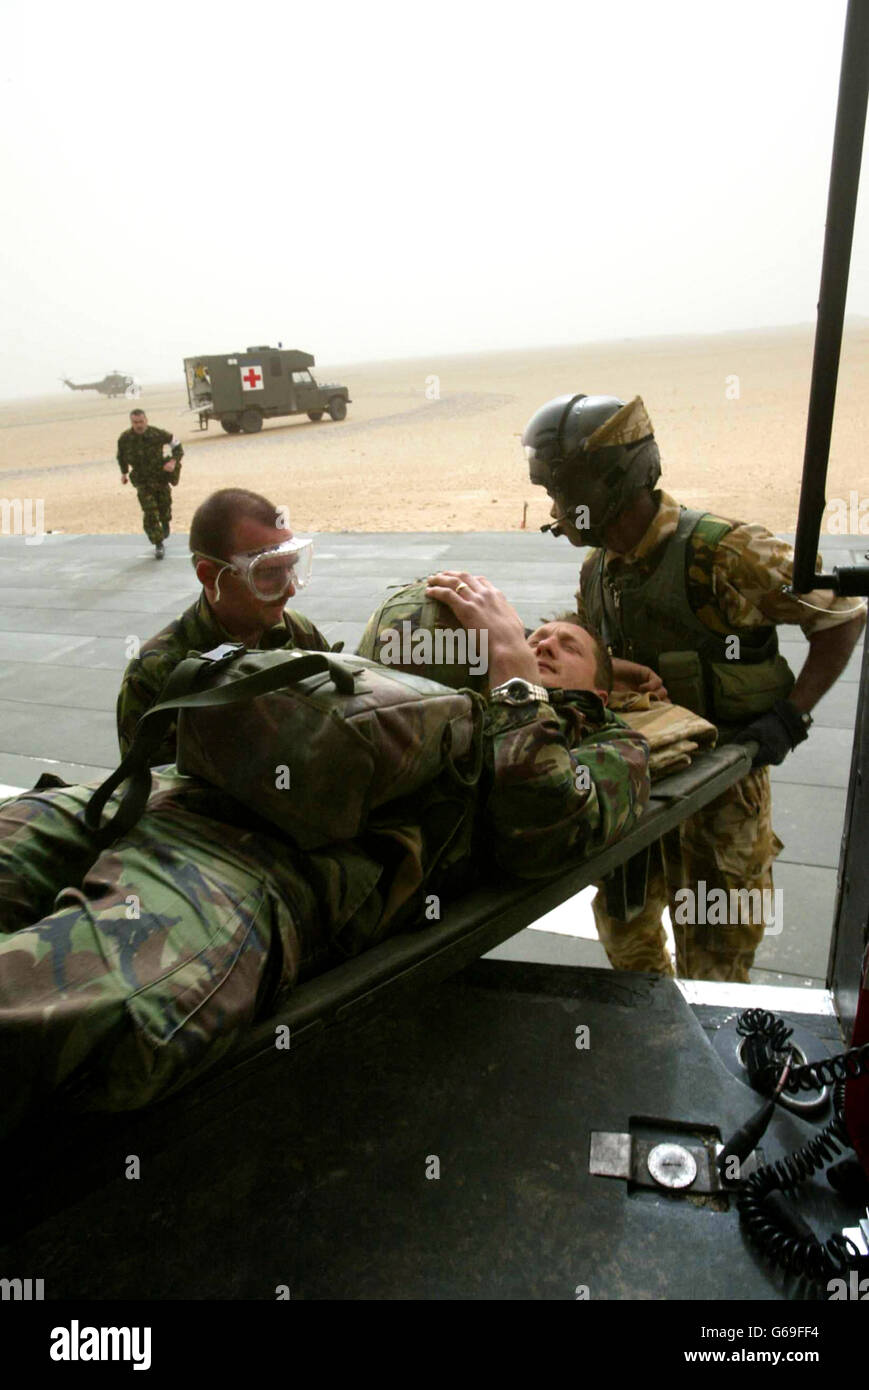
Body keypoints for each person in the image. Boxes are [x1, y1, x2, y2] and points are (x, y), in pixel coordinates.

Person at [0, 581, 649, 1135]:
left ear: (600, 688)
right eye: (536, 636)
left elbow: (546, 832)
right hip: (164, 795)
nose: (542, 645)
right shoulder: (450, 687)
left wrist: (515, 680)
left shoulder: (604, 743)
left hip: (254, 870)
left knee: (60, 1021)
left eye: (569, 646)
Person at [523, 391, 867, 981]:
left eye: (563, 491)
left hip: (723, 794)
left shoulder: (724, 553)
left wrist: (790, 716)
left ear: (613, 482)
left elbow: (841, 613)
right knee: (628, 945)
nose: (556, 508)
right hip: (636, 791)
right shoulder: (599, 568)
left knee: (718, 967)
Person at [116, 487, 330, 766]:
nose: (289, 590)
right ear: (208, 575)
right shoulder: (157, 673)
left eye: (291, 568)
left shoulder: (299, 632)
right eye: (267, 574)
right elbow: (154, 795)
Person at [117, 409, 184, 560]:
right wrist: (124, 473)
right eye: (135, 422)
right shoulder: (125, 438)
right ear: (131, 422)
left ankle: (165, 523)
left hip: (160, 478)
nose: (138, 425)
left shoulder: (158, 434)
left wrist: (173, 461)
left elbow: (178, 447)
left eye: (141, 422)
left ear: (146, 420)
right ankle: (158, 543)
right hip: (142, 481)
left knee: (164, 507)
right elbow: (121, 456)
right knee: (149, 512)